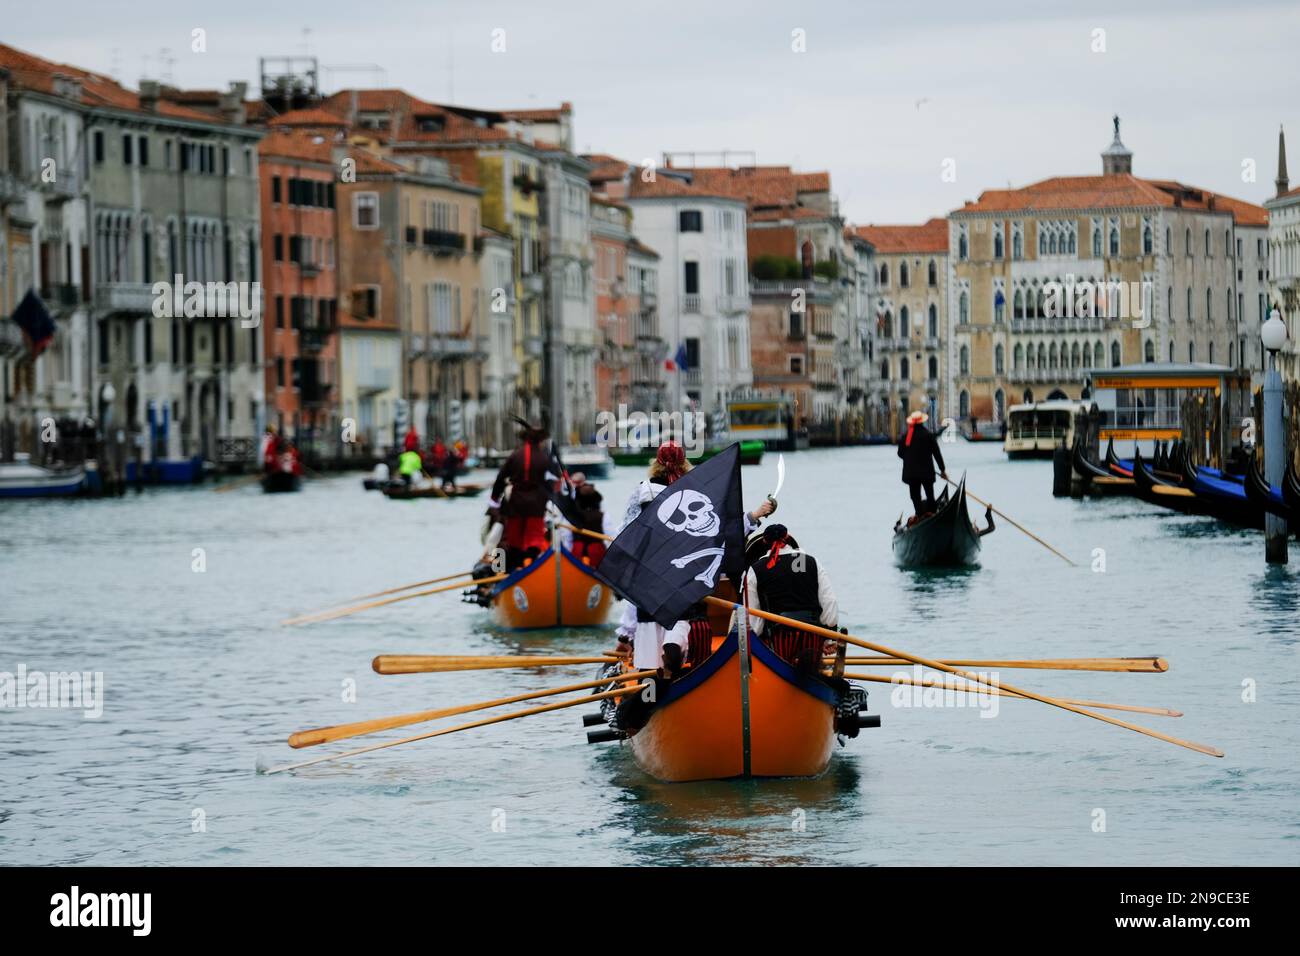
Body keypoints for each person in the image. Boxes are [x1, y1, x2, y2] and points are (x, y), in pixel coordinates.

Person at [615, 442, 775, 676]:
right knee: (683, 619)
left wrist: (624, 635)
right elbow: (722, 531)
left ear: (656, 464)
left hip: (651, 584)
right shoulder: (697, 489)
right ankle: (680, 661)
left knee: (648, 650)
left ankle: (650, 674)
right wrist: (755, 515)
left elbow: (626, 535)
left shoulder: (643, 492)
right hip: (685, 588)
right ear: (685, 462)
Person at [742, 523, 839, 674]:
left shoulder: (755, 569)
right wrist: (829, 638)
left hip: (779, 637)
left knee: (781, 671)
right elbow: (829, 601)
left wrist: (754, 645)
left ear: (765, 543)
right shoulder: (812, 561)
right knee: (811, 673)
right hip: (811, 634)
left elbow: (753, 615)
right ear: (787, 539)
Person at [489, 420, 553, 571]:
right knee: (534, 537)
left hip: (516, 503)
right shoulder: (546, 459)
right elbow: (554, 483)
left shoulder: (515, 456)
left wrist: (494, 498)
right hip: (537, 503)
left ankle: (514, 568)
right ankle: (529, 563)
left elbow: (500, 478)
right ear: (541, 440)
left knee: (515, 539)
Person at [898, 410, 947, 517]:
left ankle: (920, 515)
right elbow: (937, 454)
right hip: (927, 472)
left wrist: (910, 459)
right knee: (930, 495)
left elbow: (900, 453)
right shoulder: (928, 435)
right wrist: (942, 470)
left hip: (911, 473)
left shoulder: (906, 436)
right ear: (922, 422)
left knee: (915, 497)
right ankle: (932, 514)